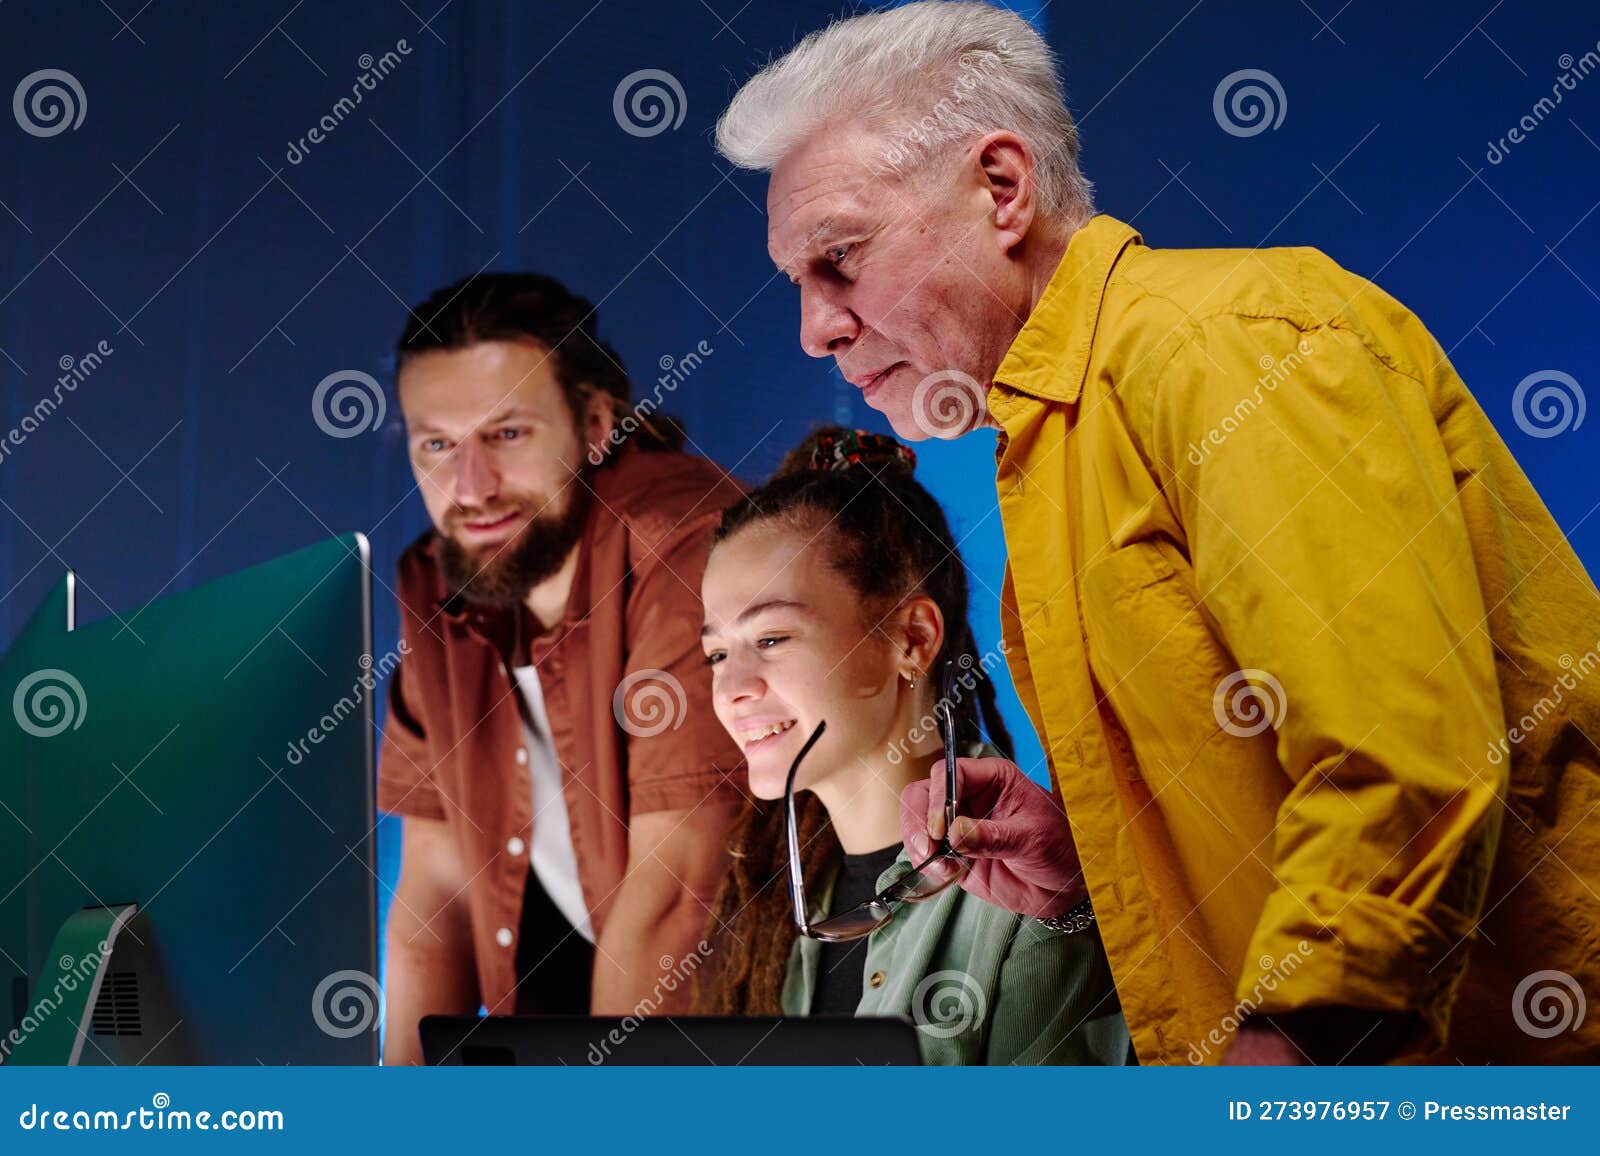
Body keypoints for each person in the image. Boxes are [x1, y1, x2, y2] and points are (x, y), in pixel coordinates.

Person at [715, 1, 1600, 1063]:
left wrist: (1286, 1042)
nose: (817, 328)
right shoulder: (1051, 436)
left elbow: (1399, 762)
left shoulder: (1225, 344)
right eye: (796, 285)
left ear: (1002, 189)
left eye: (840, 260)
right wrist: (1084, 874)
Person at [377, 272, 747, 1064]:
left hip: (728, 1043)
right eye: (437, 444)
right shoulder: (439, 586)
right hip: (561, 1029)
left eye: (507, 435)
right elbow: (432, 904)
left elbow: (680, 895)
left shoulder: (685, 545)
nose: (470, 488)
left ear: (594, 424)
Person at [691, 426, 1130, 1065]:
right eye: (716, 653)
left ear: (912, 640)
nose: (730, 687)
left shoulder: (1039, 896)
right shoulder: (785, 906)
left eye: (773, 639)